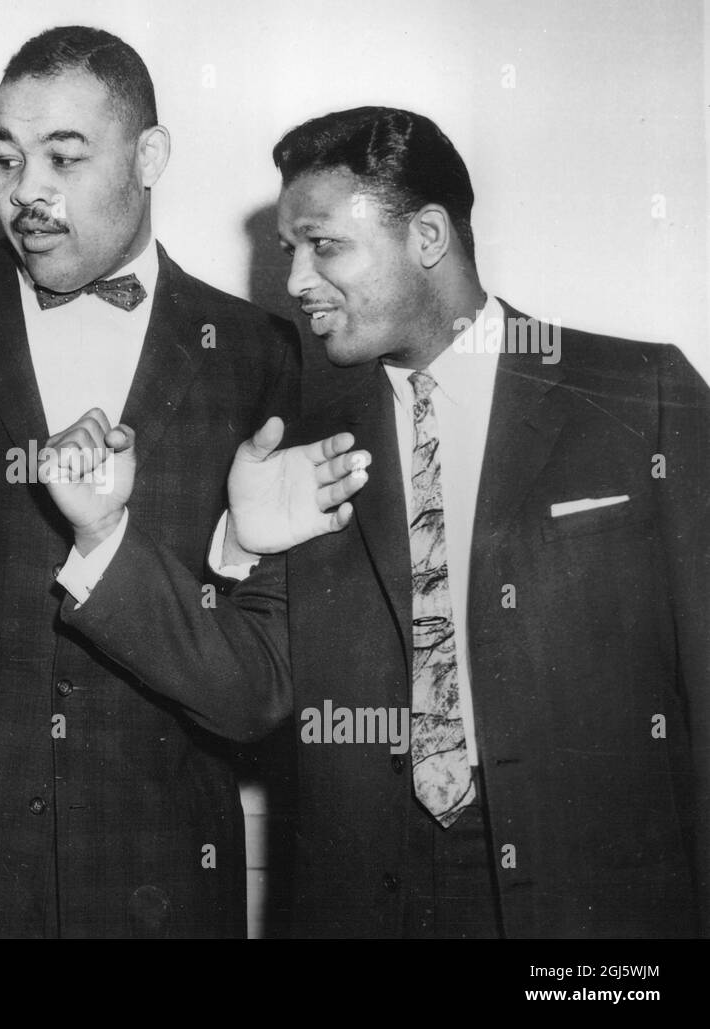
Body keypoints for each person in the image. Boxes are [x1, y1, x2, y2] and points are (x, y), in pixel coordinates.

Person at [0, 25, 365, 938]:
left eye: (64, 158)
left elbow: (261, 695)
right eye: (7, 160)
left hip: (162, 885)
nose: (27, 192)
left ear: (150, 157)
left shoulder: (263, 353)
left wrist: (233, 554)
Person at [217, 106, 709, 937]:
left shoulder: (642, 396)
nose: (296, 280)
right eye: (289, 250)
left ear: (428, 236)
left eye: (323, 244)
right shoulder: (298, 447)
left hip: (591, 909)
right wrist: (236, 546)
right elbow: (242, 702)